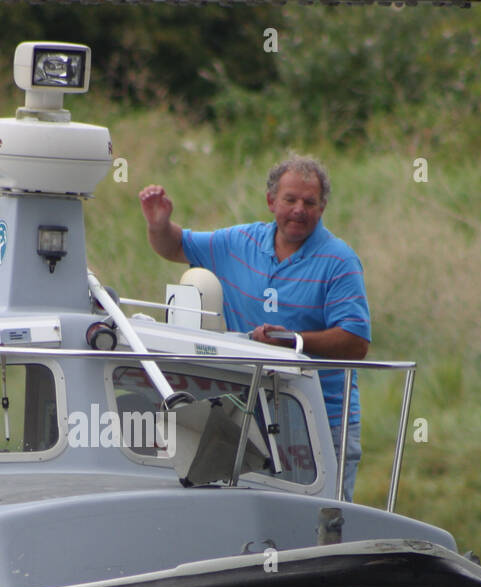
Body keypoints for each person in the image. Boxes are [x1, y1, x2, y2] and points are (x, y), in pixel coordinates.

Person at [138, 156, 370, 501]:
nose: (299, 210)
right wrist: (159, 224)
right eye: (290, 200)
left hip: (322, 420)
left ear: (322, 208)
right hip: (248, 416)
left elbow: (356, 342)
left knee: (324, 526)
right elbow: (175, 246)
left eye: (309, 202)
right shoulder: (239, 242)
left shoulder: (340, 260)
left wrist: (295, 341)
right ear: (271, 201)